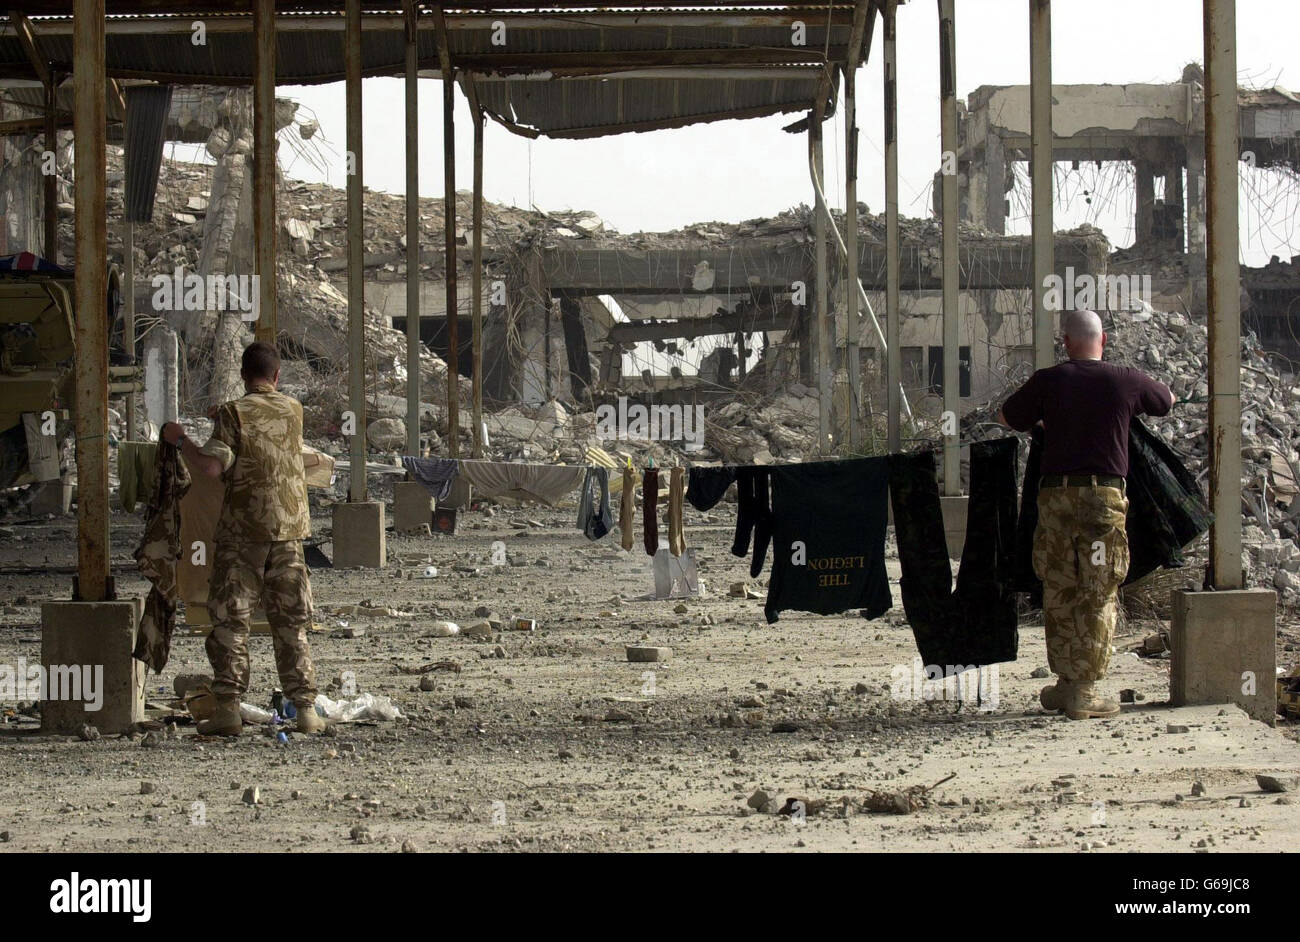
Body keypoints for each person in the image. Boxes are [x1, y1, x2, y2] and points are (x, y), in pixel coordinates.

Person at [999, 309, 1174, 720]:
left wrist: (1047, 419)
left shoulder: (1049, 380)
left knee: (1059, 587)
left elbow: (1007, 416)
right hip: (1102, 502)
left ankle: (1066, 682)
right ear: (1104, 340)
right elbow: (1164, 401)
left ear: (1065, 342)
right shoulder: (1124, 379)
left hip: (1056, 500)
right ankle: (1085, 689)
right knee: (1097, 589)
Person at [161, 341, 324, 736]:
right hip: (288, 533)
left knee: (232, 622)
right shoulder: (294, 410)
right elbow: (263, 437)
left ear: (241, 374)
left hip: (243, 534)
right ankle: (305, 711)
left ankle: (229, 711)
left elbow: (211, 468)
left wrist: (179, 440)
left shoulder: (235, 412)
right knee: (291, 623)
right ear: (278, 376)